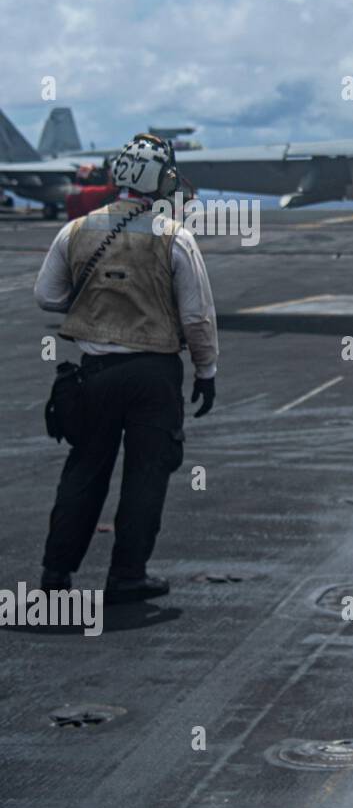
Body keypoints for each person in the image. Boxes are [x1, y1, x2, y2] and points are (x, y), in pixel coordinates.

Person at [34, 133, 218, 603]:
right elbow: (197, 317)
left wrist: (96, 305)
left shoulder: (76, 230)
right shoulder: (175, 236)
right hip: (153, 378)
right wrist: (206, 372)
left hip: (94, 373)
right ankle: (126, 576)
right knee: (146, 476)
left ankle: (56, 576)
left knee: (83, 472)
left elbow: (47, 296)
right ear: (162, 179)